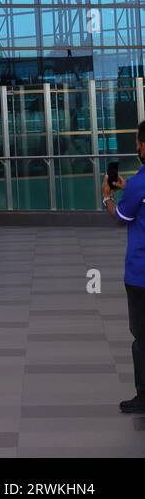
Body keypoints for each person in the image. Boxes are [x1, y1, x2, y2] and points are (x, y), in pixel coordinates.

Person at [102, 120, 145, 413]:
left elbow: (120, 216)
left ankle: (143, 396)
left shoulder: (140, 182)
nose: (137, 148)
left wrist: (108, 195)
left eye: (139, 143)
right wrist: (130, 188)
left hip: (141, 274)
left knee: (142, 338)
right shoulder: (138, 184)